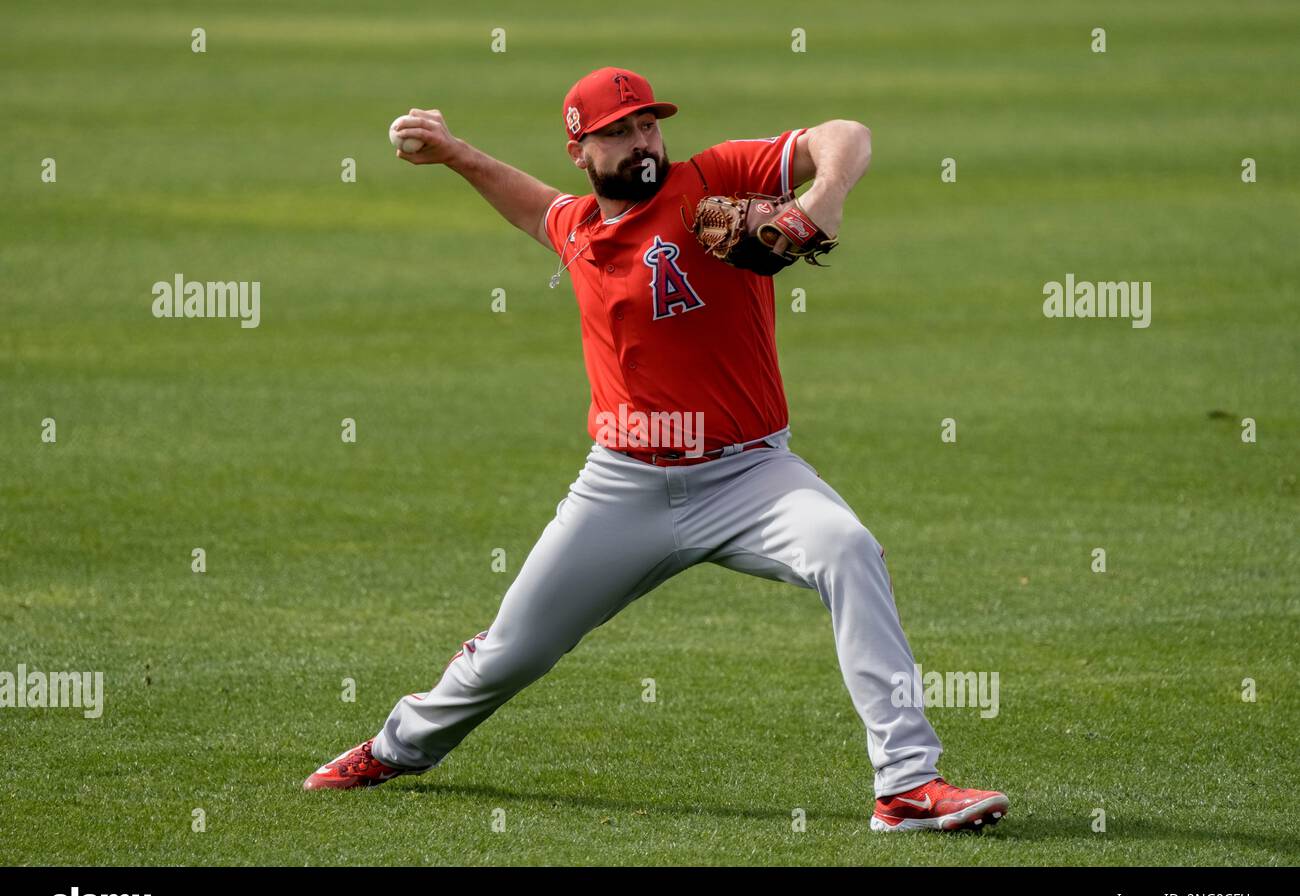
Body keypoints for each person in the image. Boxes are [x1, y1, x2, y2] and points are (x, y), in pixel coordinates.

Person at [304, 67, 1008, 833]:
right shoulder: (578, 228)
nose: (641, 142)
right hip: (622, 489)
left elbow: (848, 136)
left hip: (751, 473)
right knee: (512, 651)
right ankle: (396, 746)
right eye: (617, 132)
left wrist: (823, 195)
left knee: (848, 549)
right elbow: (534, 207)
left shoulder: (714, 177)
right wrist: (456, 153)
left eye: (646, 124)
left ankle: (906, 784)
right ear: (580, 149)